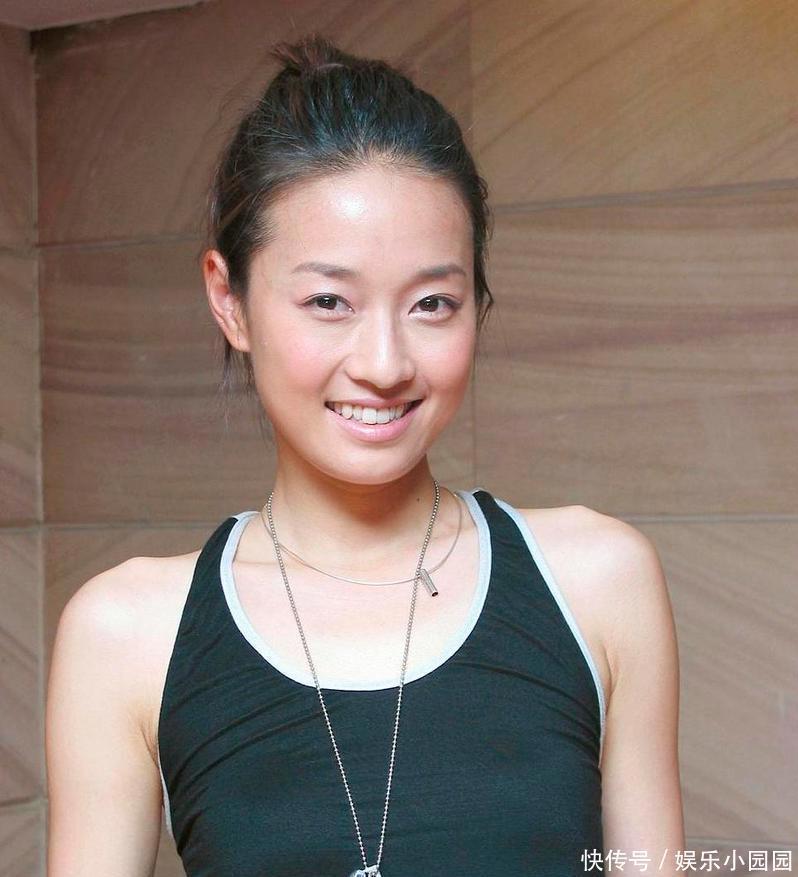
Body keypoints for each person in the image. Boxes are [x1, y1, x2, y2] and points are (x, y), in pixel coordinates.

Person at [45, 33, 685, 877]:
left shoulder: (597, 582)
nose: (384, 364)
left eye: (432, 303)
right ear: (229, 299)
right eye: (328, 300)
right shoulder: (128, 633)